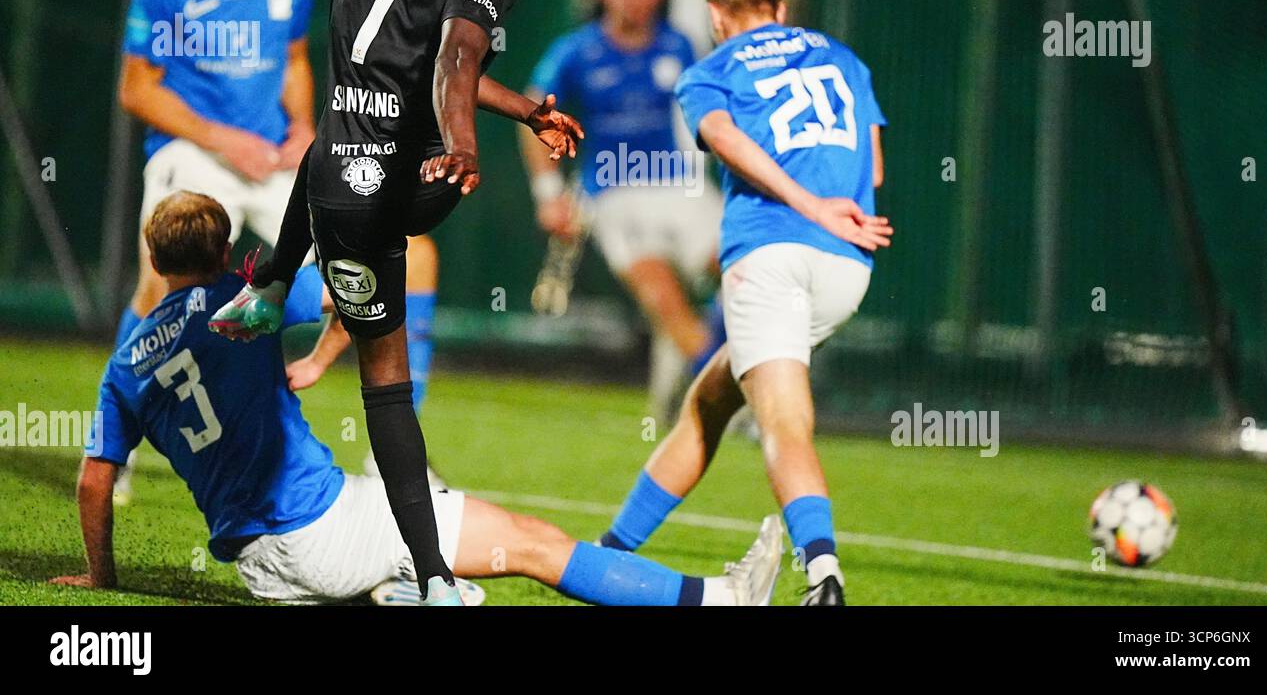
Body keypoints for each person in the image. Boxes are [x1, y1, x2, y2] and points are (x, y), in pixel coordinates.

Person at [54, 192, 783, 606]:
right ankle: (723, 600)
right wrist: (319, 357)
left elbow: (94, 480)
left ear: (153, 262)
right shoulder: (245, 299)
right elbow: (362, 292)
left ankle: (401, 588)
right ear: (222, 254)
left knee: (411, 554)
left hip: (259, 568)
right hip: (323, 529)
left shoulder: (125, 362)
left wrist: (101, 576)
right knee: (532, 542)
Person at [208, 0, 583, 601]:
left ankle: (273, 285)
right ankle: (435, 578)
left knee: (344, 129)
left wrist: (522, 110)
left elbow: (413, 62)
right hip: (393, 196)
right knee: (387, 387)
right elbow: (454, 56)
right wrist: (465, 147)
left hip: (329, 182)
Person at [596, 0, 894, 606]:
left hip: (772, 258)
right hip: (849, 265)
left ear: (716, 16)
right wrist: (826, 203)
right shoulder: (845, 60)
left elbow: (725, 137)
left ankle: (823, 578)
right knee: (709, 400)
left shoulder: (713, 70)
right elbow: (870, 172)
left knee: (785, 425)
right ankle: (607, 554)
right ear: (780, 8)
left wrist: (804, 203)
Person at [112, 0, 318, 503]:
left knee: (363, 273)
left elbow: (293, 62)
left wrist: (305, 128)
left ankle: (395, 457)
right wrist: (224, 140)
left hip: (268, 156)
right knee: (158, 286)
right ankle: (111, 449)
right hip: (193, 152)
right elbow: (137, 89)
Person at [519, 0, 726, 422]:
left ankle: (700, 374)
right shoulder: (575, 51)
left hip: (681, 189)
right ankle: (730, 403)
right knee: (666, 301)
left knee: (746, 272)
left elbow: (712, 115)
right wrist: (549, 195)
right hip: (612, 196)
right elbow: (532, 117)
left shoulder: (680, 44)